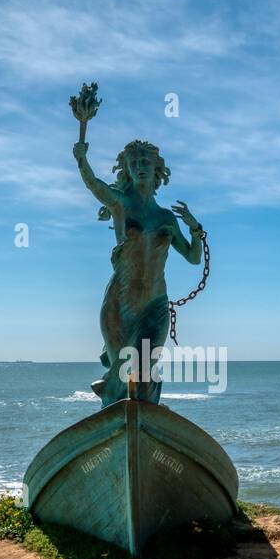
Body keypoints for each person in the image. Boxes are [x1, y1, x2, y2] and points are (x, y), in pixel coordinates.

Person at [73, 137, 204, 404]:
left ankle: (142, 421)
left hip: (154, 305)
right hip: (119, 304)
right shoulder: (119, 203)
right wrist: (81, 159)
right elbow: (93, 184)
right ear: (128, 169)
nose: (140, 166)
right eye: (134, 162)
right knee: (122, 373)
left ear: (157, 168)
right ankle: (119, 426)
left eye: (146, 161)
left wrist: (195, 229)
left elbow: (192, 257)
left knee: (143, 368)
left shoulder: (166, 218)